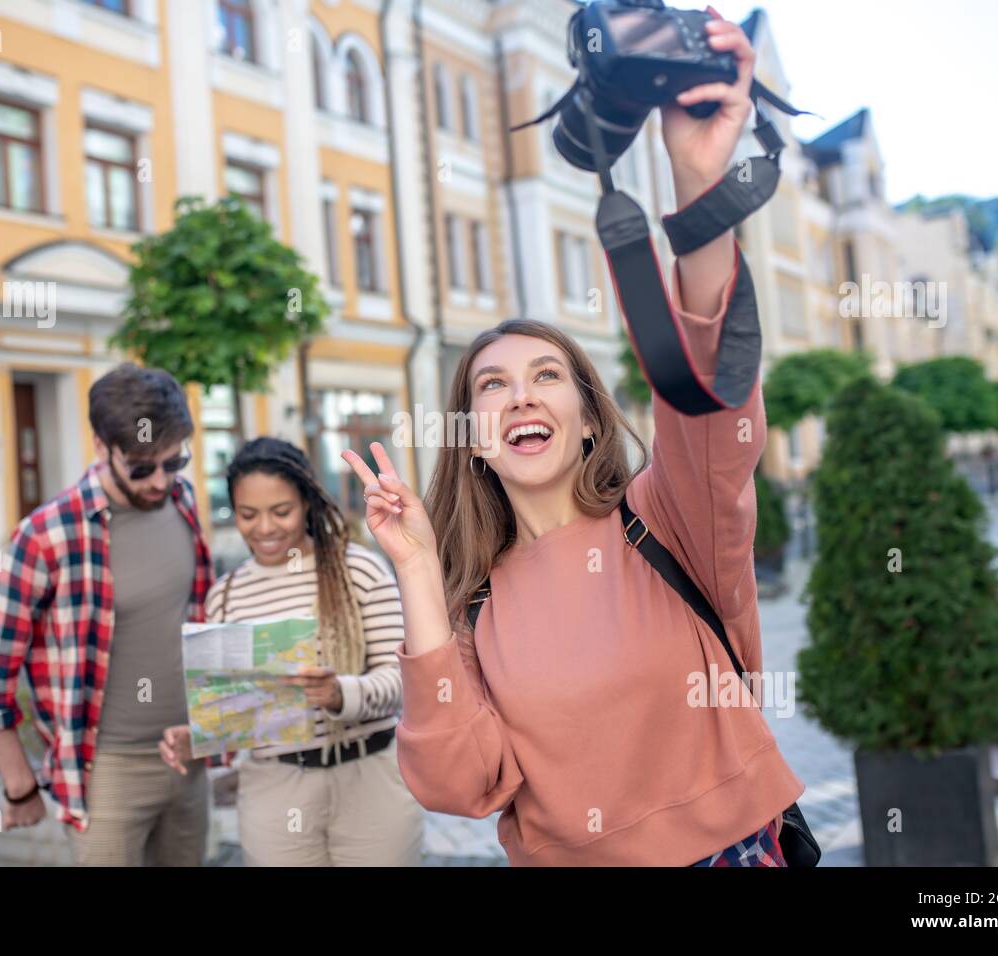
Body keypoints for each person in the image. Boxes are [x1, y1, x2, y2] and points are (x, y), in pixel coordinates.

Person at [341, 12, 804, 866]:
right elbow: (459, 783)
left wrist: (700, 185)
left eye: (547, 375)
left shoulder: (665, 518)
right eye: (493, 384)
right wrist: (415, 573)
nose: (521, 394)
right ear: (474, 437)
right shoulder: (470, 602)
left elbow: (711, 405)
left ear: (589, 415)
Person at [0, 363, 215, 866]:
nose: (160, 480)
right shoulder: (46, 534)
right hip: (107, 773)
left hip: (190, 758)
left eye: (174, 461)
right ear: (102, 447)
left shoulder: (183, 502)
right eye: (142, 467)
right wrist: (19, 787)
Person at [160, 437, 423, 866]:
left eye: (281, 511)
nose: (264, 528)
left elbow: (404, 680)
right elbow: (236, 706)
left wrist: (340, 693)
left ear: (307, 504)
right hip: (274, 786)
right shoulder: (225, 596)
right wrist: (202, 735)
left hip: (369, 776)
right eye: (248, 514)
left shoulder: (360, 568)